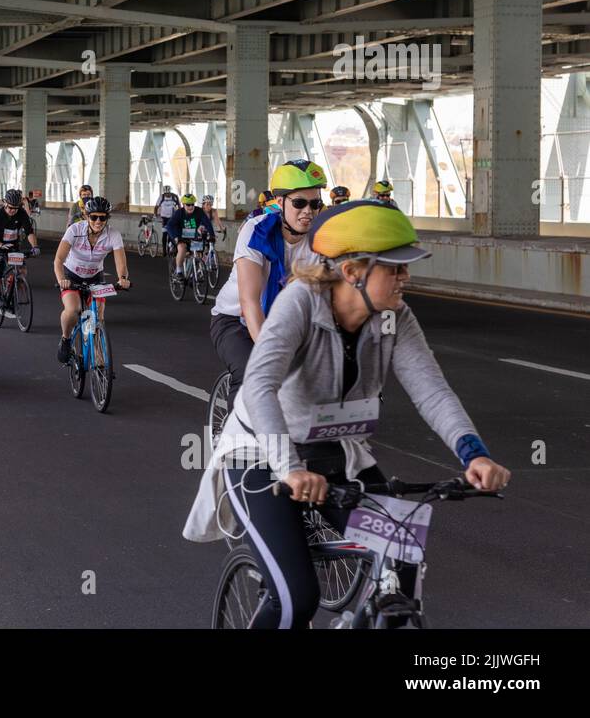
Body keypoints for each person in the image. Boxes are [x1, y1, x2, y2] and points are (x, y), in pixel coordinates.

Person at [184, 200, 510, 628]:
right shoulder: (299, 304)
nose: (404, 277)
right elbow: (260, 386)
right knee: (295, 597)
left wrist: (474, 454)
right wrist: (290, 468)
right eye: (393, 268)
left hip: (336, 452)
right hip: (262, 457)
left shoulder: (396, 316)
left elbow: (431, 390)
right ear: (353, 271)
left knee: (401, 551)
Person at [209, 160, 327, 408]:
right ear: (280, 202)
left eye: (315, 204)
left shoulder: (322, 239)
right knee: (253, 378)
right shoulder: (257, 230)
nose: (308, 211)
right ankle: (236, 442)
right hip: (236, 321)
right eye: (299, 203)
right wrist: (270, 355)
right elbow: (249, 302)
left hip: (287, 322)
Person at [54, 197, 131, 363]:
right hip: (71, 276)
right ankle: (66, 338)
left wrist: (123, 278)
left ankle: (97, 357)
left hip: (95, 277)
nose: (98, 221)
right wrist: (62, 280)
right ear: (86, 216)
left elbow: (120, 261)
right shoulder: (74, 230)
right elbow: (58, 260)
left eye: (102, 217)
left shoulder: (113, 235)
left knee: (96, 317)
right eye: (94, 217)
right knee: (73, 310)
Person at [0, 189, 39, 297]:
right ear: (5, 203)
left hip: (14, 246)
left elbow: (29, 232)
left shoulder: (22, 214)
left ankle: (14, 285)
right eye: (10, 207)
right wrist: (1, 245)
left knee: (22, 270)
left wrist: (35, 246)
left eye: (16, 208)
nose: (13, 210)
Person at [166, 193, 215, 280]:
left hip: (193, 237)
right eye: (188, 205)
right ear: (183, 205)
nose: (190, 207)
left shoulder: (199, 211)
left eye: (192, 204)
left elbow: (207, 223)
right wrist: (176, 237)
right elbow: (169, 226)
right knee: (182, 247)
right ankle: (179, 271)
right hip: (180, 236)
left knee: (199, 253)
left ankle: (192, 275)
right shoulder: (179, 213)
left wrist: (212, 235)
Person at [155, 187, 179, 254]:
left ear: (170, 192)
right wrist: (156, 215)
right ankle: (164, 250)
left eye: (168, 193)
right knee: (164, 234)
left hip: (172, 218)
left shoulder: (175, 197)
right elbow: (156, 207)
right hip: (164, 218)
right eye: (166, 193)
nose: (167, 195)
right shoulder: (161, 197)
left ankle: (169, 249)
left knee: (171, 235)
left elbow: (179, 206)